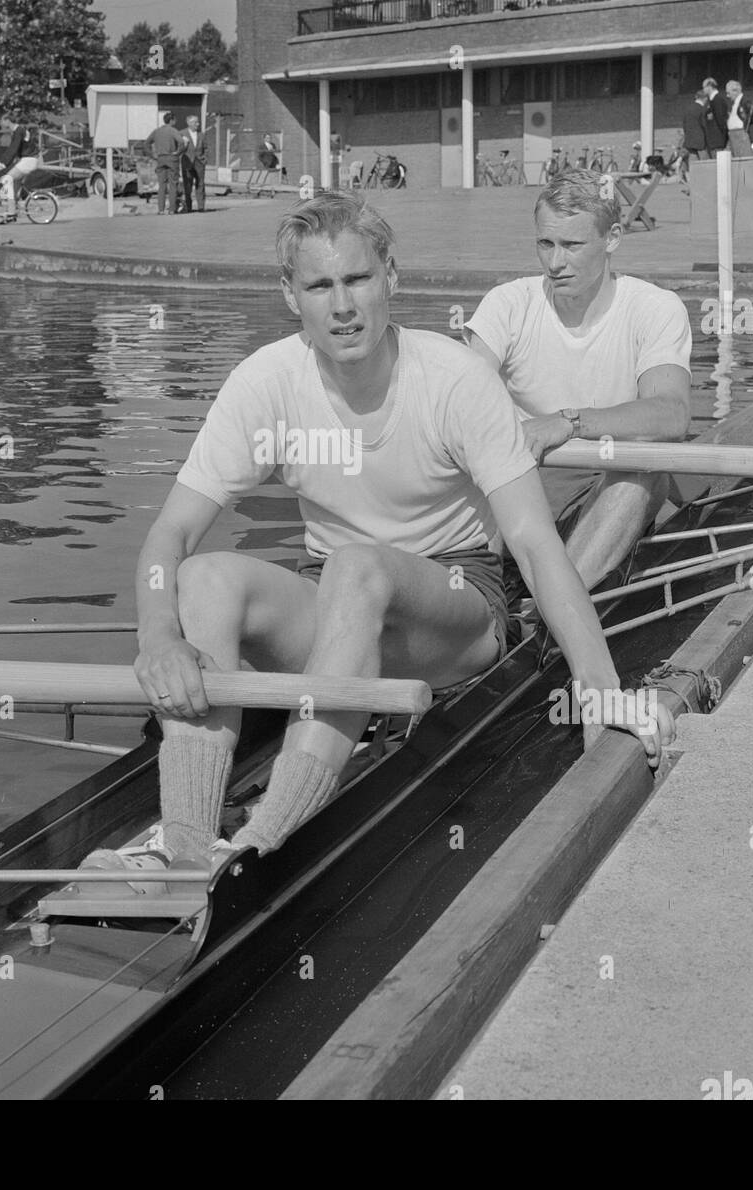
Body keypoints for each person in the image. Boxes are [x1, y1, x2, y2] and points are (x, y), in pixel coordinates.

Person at [80, 191, 659, 883]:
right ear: (290, 296)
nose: (342, 305)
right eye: (319, 286)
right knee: (203, 577)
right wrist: (158, 641)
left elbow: (535, 544)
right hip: (341, 606)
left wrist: (597, 686)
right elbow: (168, 535)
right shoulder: (262, 382)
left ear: (391, 277)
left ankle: (263, 841)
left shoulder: (454, 379)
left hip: (454, 611)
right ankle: (184, 845)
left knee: (355, 567)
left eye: (356, 279)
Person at [464, 169, 691, 593]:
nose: (554, 263)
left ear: (613, 239)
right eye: (545, 244)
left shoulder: (655, 309)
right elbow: (459, 400)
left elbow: (671, 413)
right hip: (521, 487)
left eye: (572, 245)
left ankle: (550, 615)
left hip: (605, 486)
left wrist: (568, 421)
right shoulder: (507, 304)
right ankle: (479, 603)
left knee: (646, 462)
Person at [0, 115, 40, 222]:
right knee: (13, 186)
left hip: (28, 160)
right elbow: (15, 150)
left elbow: (13, 149)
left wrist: (1, 164)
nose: (1, 124)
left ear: (8, 120)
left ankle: (12, 212)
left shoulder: (18, 131)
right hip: (27, 160)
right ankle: (12, 212)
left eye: (2, 121)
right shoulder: (19, 130)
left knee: (7, 179)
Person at [145, 111, 186, 214]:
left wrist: (152, 155)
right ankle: (172, 209)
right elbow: (181, 142)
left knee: (161, 186)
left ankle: (161, 210)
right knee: (173, 185)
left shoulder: (157, 131)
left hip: (160, 159)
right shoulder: (173, 130)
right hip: (172, 159)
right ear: (171, 120)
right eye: (174, 120)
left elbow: (146, 143)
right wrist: (178, 152)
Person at [724, 80, 753, 158]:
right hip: (734, 135)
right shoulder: (735, 103)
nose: (727, 96)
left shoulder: (744, 100)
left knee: (744, 157)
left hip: (741, 134)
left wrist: (745, 123)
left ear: (735, 91)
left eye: (728, 93)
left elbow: (752, 112)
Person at [179, 113, 206, 213]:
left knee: (200, 184)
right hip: (187, 163)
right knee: (187, 185)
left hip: (199, 162)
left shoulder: (201, 135)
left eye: (198, 122)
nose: (198, 124)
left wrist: (204, 159)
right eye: (195, 122)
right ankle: (188, 207)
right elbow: (178, 147)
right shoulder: (181, 133)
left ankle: (201, 207)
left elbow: (206, 148)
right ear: (189, 123)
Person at [680, 90, 709, 168]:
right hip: (701, 141)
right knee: (705, 163)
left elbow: (684, 124)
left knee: (693, 164)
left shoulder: (688, 109)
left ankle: (694, 179)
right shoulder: (702, 109)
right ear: (705, 98)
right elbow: (705, 125)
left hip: (690, 140)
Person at [701, 78, 729, 157]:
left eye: (704, 87)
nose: (703, 90)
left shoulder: (717, 100)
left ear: (709, 86)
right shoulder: (711, 101)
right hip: (712, 140)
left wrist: (722, 136)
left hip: (717, 140)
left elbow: (721, 119)